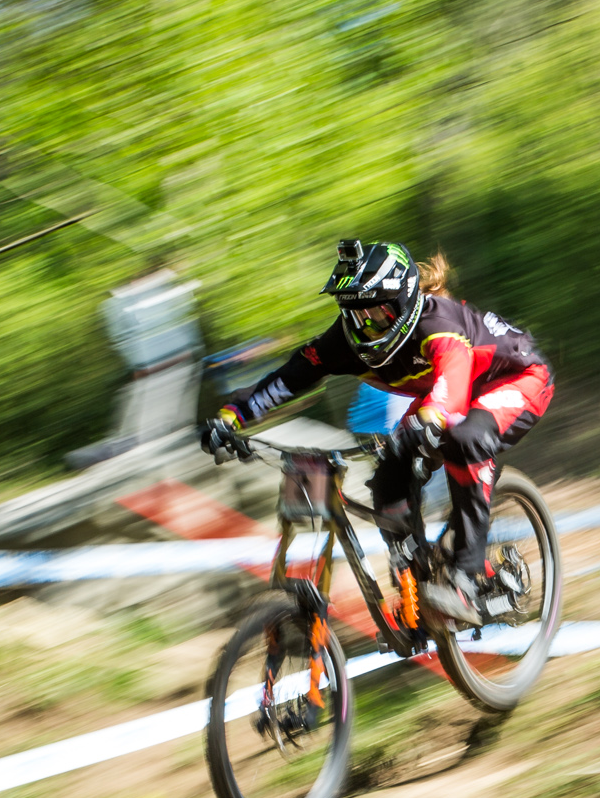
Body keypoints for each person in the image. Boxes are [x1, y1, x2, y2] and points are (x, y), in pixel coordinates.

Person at [200, 239, 553, 626]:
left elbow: (450, 390)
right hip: (446, 395)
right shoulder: (343, 341)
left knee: (463, 439)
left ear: (403, 304)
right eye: (354, 314)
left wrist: (429, 421)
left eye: (376, 314)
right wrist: (232, 415)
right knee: (387, 478)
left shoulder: (438, 325)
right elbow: (288, 378)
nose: (365, 325)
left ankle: (464, 580)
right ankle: (415, 585)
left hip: (513, 379)